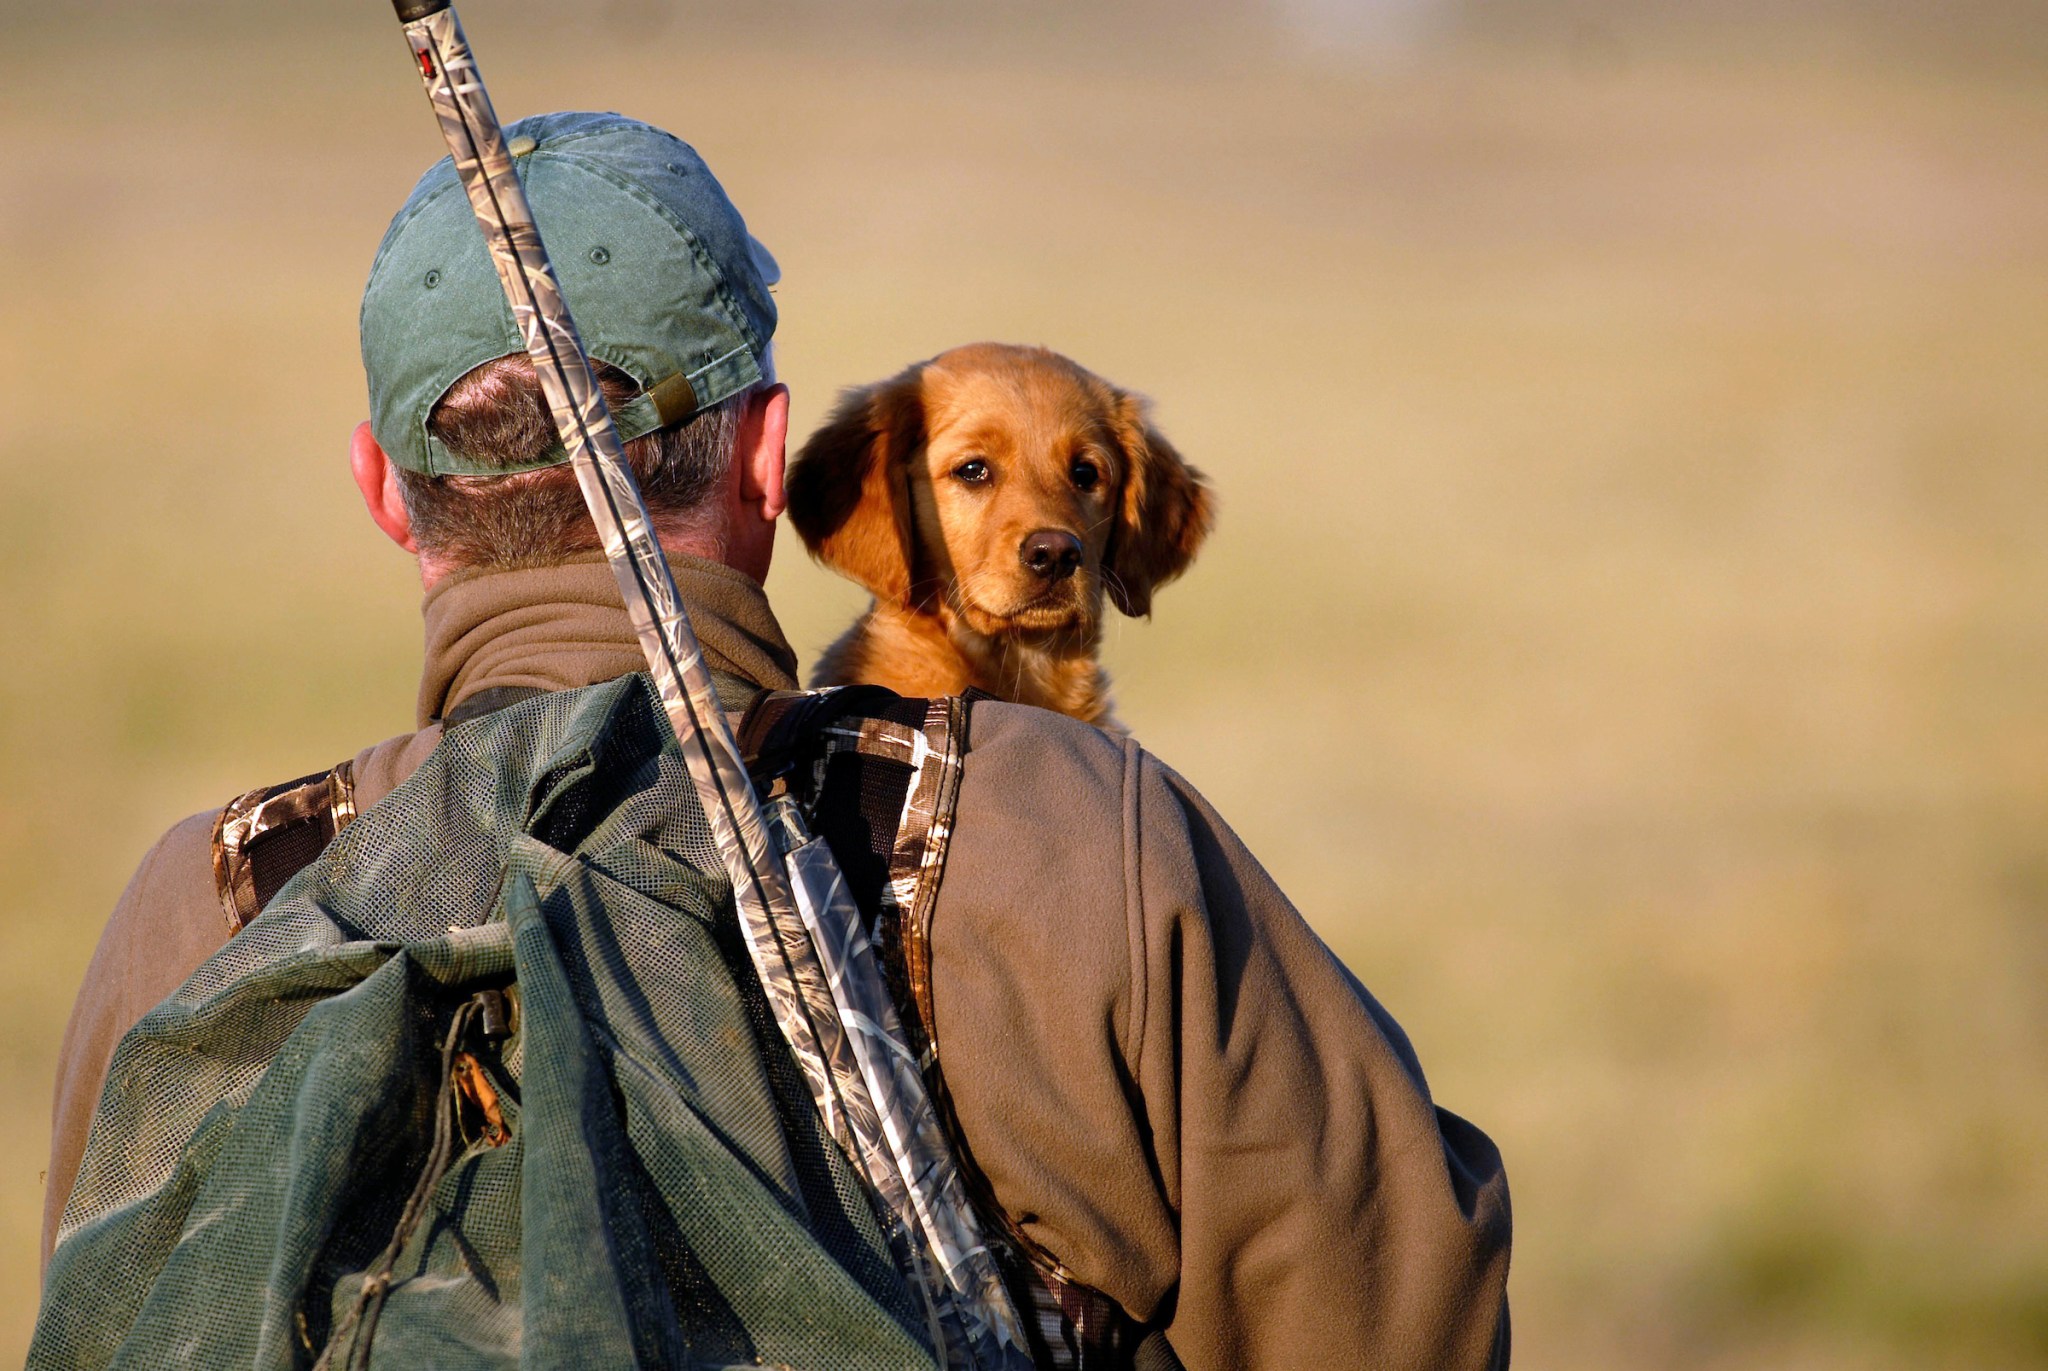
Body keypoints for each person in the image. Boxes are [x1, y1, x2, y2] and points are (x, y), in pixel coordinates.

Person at [42, 111, 1511, 1369]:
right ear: (767, 459)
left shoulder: (204, 903)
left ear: (383, 490)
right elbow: (1396, 1302)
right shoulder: (1075, 837)